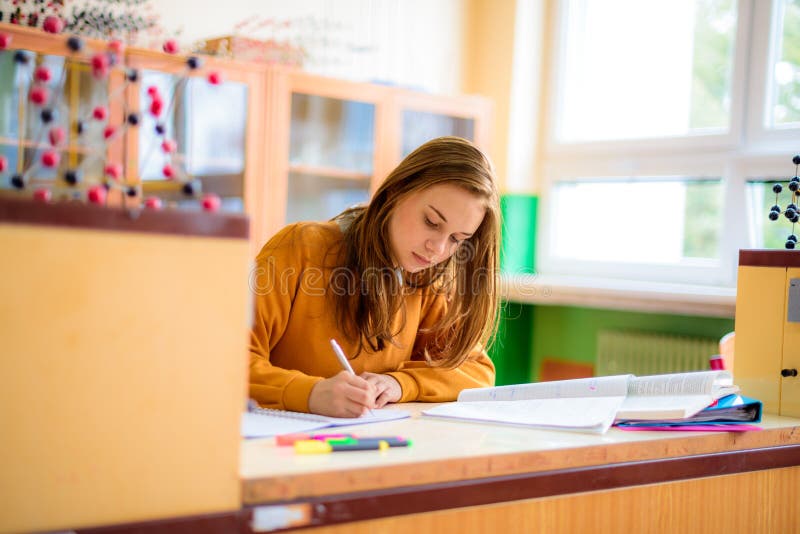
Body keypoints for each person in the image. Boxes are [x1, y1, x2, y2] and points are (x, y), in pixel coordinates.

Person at [248, 136, 501, 417]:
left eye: (457, 238)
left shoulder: (428, 279)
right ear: (396, 191)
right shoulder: (300, 248)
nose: (438, 248)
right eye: (431, 222)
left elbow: (477, 371)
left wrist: (399, 383)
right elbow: (228, 359)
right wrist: (308, 393)